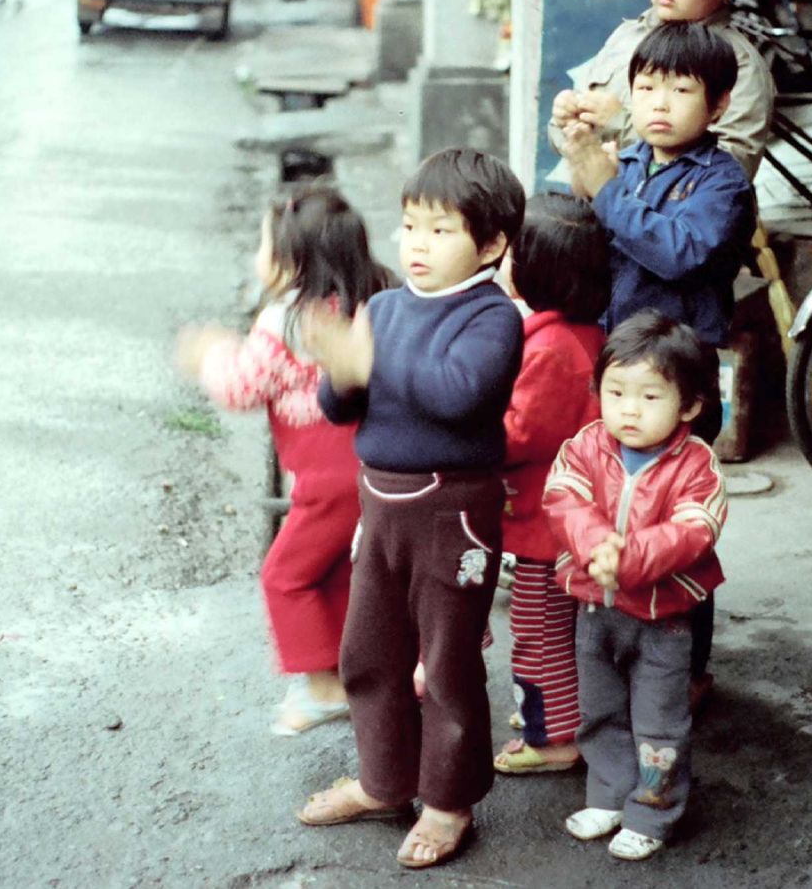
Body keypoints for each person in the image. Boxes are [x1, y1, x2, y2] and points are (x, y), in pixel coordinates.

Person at [296, 148, 526, 870]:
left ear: (490, 244)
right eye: (409, 227)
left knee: (448, 660)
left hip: (452, 511)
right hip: (383, 507)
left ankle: (449, 801)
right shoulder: (387, 306)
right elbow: (341, 405)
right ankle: (383, 780)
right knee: (369, 652)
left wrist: (372, 360)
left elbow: (457, 393)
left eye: (440, 231)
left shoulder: (494, 318)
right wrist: (338, 366)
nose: (417, 246)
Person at [561, 17, 757, 711]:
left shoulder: (724, 183)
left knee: (677, 521)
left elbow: (679, 251)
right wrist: (581, 158)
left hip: (681, 372)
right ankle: (618, 641)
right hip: (622, 361)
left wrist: (605, 189)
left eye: (680, 89)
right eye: (646, 88)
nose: (659, 104)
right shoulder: (632, 159)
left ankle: (688, 664)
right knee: (616, 500)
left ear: (719, 105)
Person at [176, 185, 393, 736]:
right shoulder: (374, 298)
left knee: (284, 576)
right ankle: (361, 676)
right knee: (338, 574)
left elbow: (242, 388)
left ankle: (323, 690)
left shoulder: (284, 320)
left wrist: (211, 356)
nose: (258, 256)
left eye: (263, 245)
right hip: (374, 466)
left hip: (325, 479)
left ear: (290, 260)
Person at [547, 311, 726, 862]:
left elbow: (696, 529)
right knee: (598, 710)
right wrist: (597, 542)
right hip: (595, 612)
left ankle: (653, 809)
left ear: (690, 405)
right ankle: (608, 793)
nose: (628, 409)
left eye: (650, 397)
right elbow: (562, 498)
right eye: (616, 391)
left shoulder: (697, 464)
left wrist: (627, 558)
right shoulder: (584, 445)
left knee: (659, 722)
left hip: (663, 620)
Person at [491, 193, 610, 777]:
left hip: (545, 524)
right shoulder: (582, 335)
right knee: (556, 630)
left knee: (538, 632)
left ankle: (554, 736)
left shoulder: (548, 350)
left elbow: (519, 434)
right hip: (569, 519)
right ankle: (553, 712)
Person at [549, 0, 775, 182]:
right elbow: (573, 145)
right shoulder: (628, 36)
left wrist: (623, 123)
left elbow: (727, 179)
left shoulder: (738, 64)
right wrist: (564, 122)